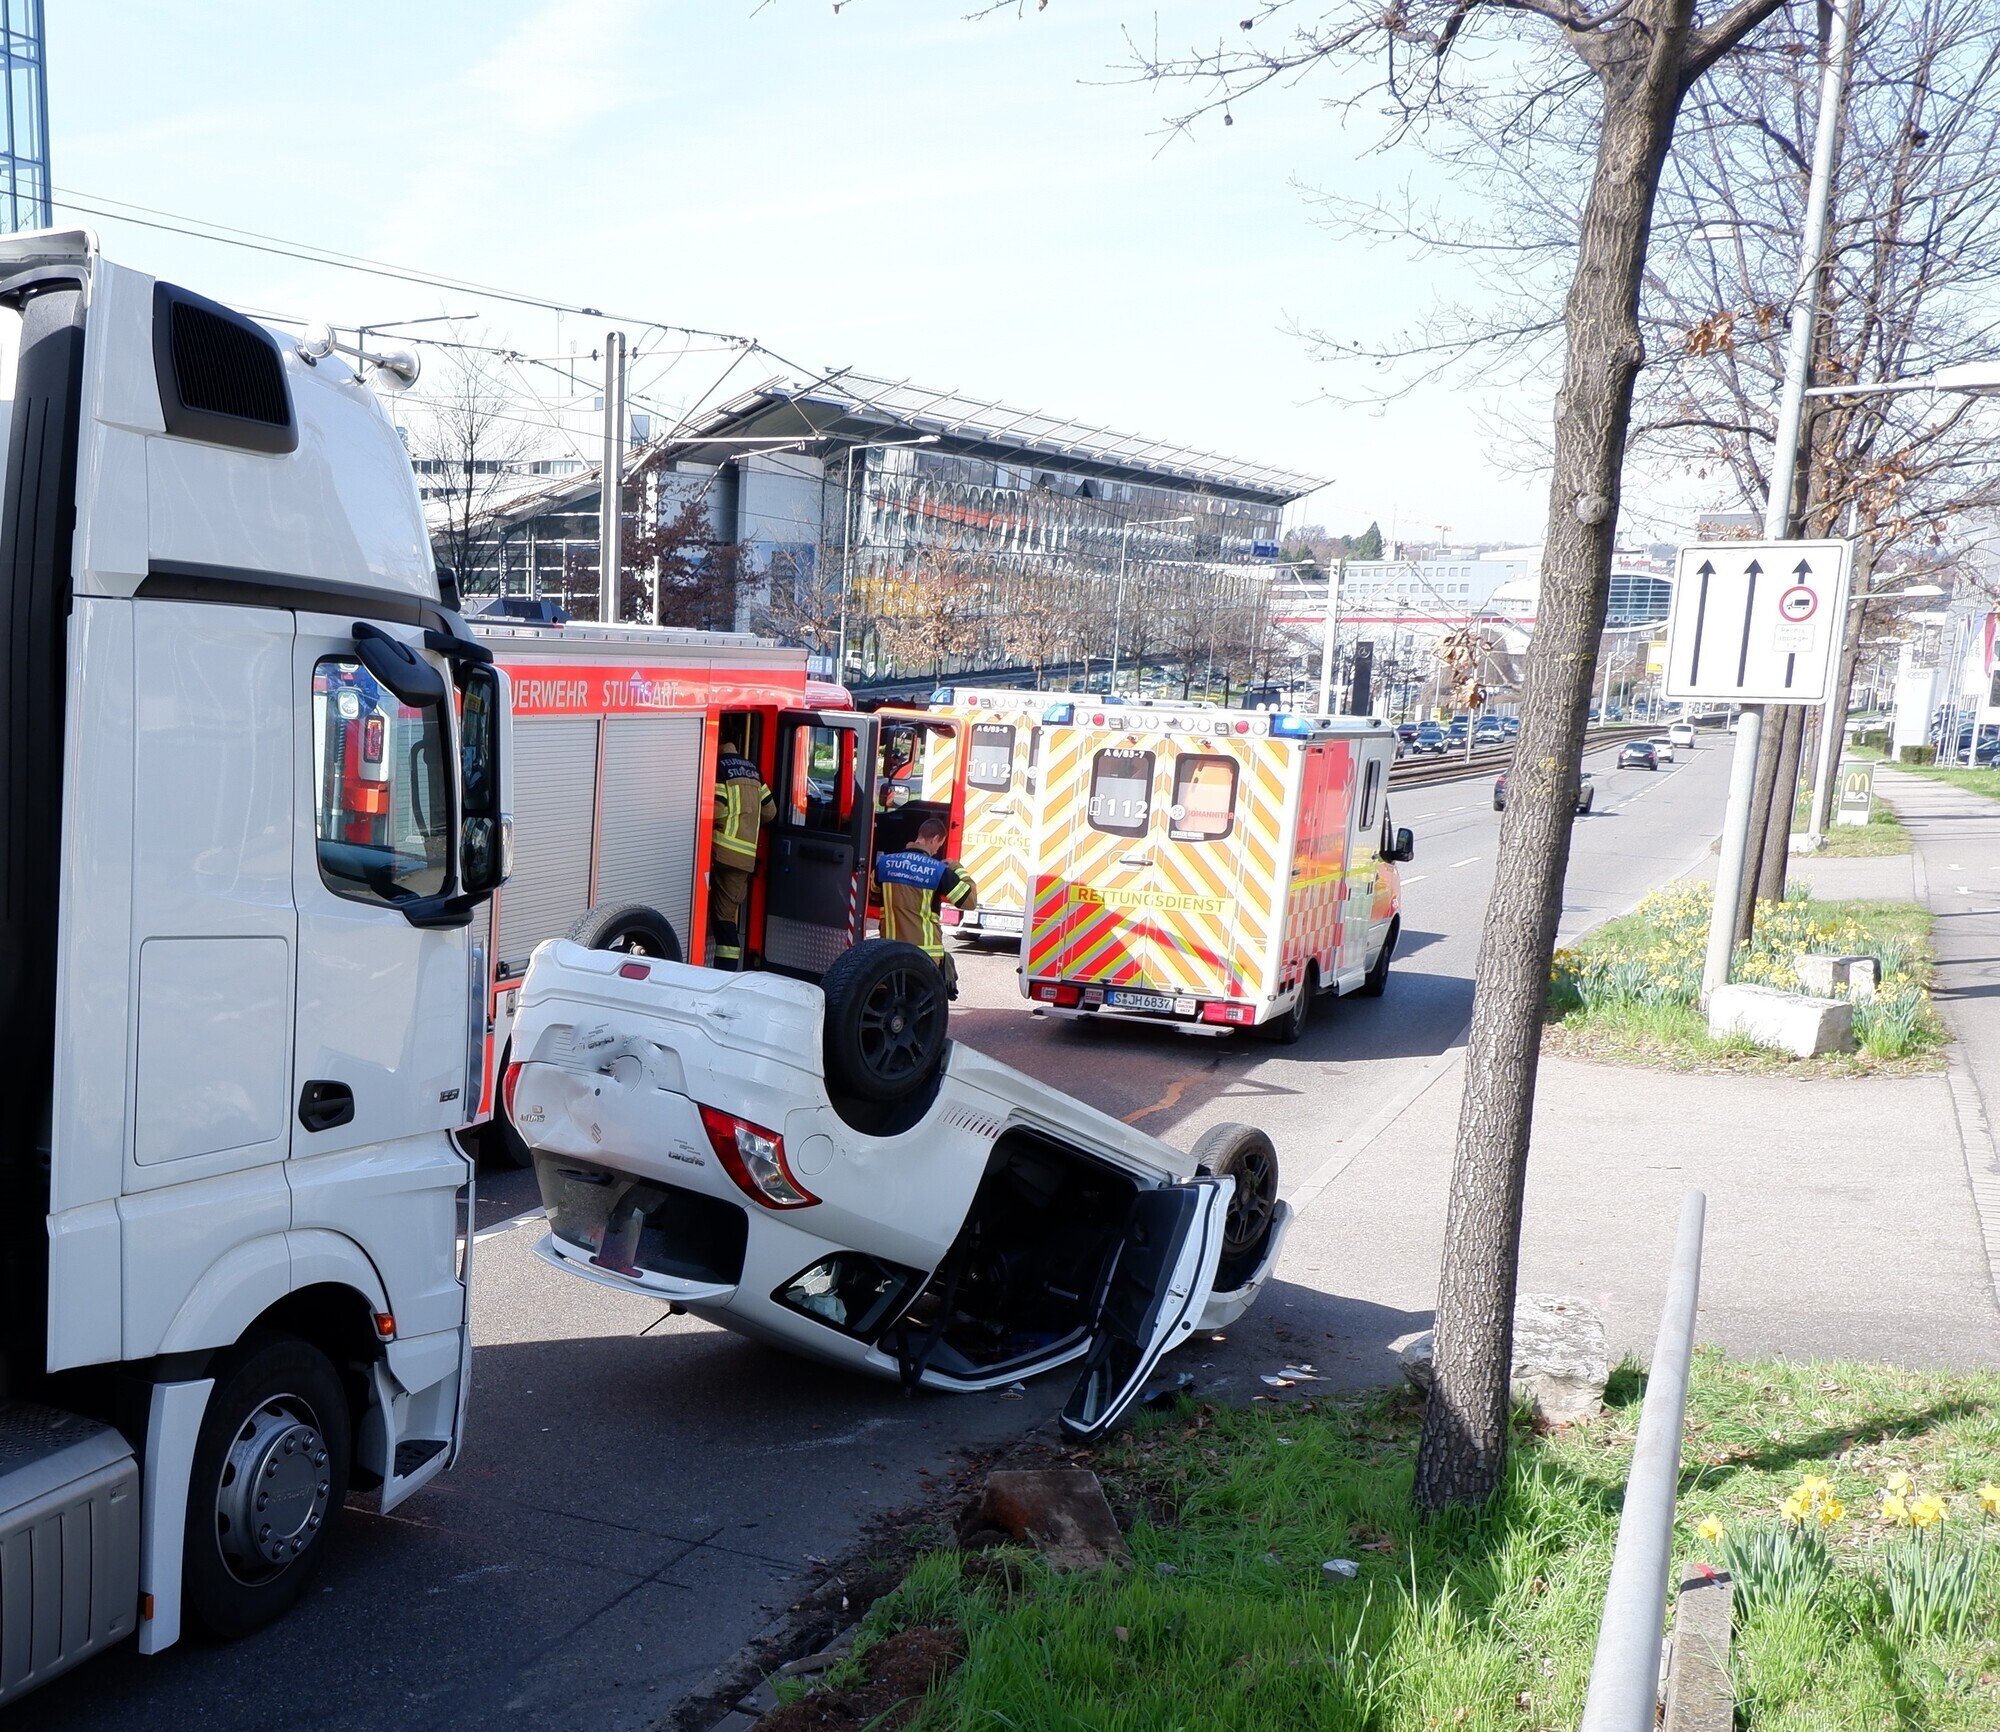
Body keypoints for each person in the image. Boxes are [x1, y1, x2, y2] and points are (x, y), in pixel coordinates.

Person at [873, 815, 977, 1000]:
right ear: (934, 839)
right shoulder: (938, 870)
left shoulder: (884, 864)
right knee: (922, 1010)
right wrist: (956, 867)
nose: (937, 851)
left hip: (888, 952)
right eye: (939, 845)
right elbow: (969, 901)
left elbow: (873, 893)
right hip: (925, 958)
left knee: (892, 1003)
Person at [710, 729, 774, 971]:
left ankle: (721, 972)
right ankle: (725, 974)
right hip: (742, 859)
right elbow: (771, 813)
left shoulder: (718, 767)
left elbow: (715, 808)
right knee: (725, 917)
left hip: (716, 852)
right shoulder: (753, 770)